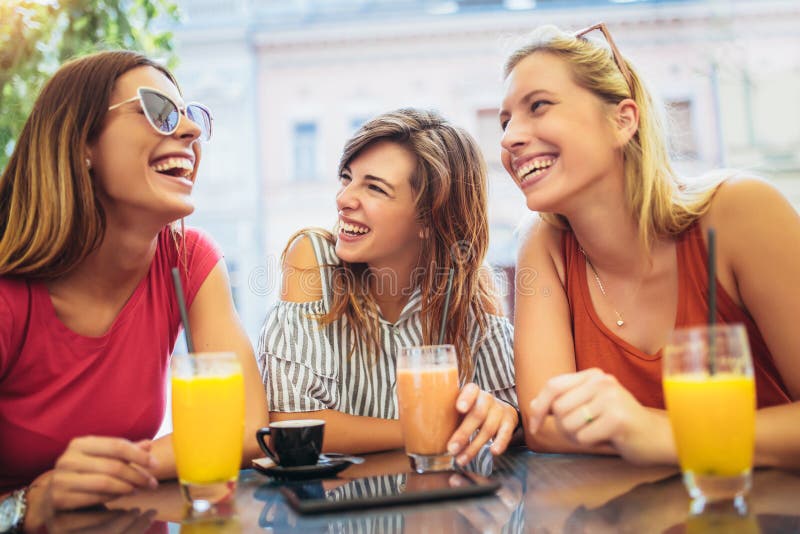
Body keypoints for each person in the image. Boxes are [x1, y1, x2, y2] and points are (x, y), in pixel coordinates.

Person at [502, 24, 799, 467]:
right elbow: (545, 425)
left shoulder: (741, 211)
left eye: (538, 106)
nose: (508, 138)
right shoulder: (543, 243)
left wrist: (662, 433)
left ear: (623, 120)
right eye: (505, 121)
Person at [0, 51, 268, 530]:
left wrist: (108, 474)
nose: (189, 132)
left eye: (191, 117)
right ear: (82, 141)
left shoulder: (187, 260)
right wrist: (26, 504)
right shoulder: (8, 293)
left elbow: (247, 428)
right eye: (158, 110)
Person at [257, 109, 518, 466]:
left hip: (438, 506)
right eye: (347, 179)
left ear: (429, 218)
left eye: (374, 188)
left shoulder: (469, 283)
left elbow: (509, 410)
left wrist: (502, 415)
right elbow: (292, 422)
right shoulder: (314, 259)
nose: (344, 199)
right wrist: (427, 430)